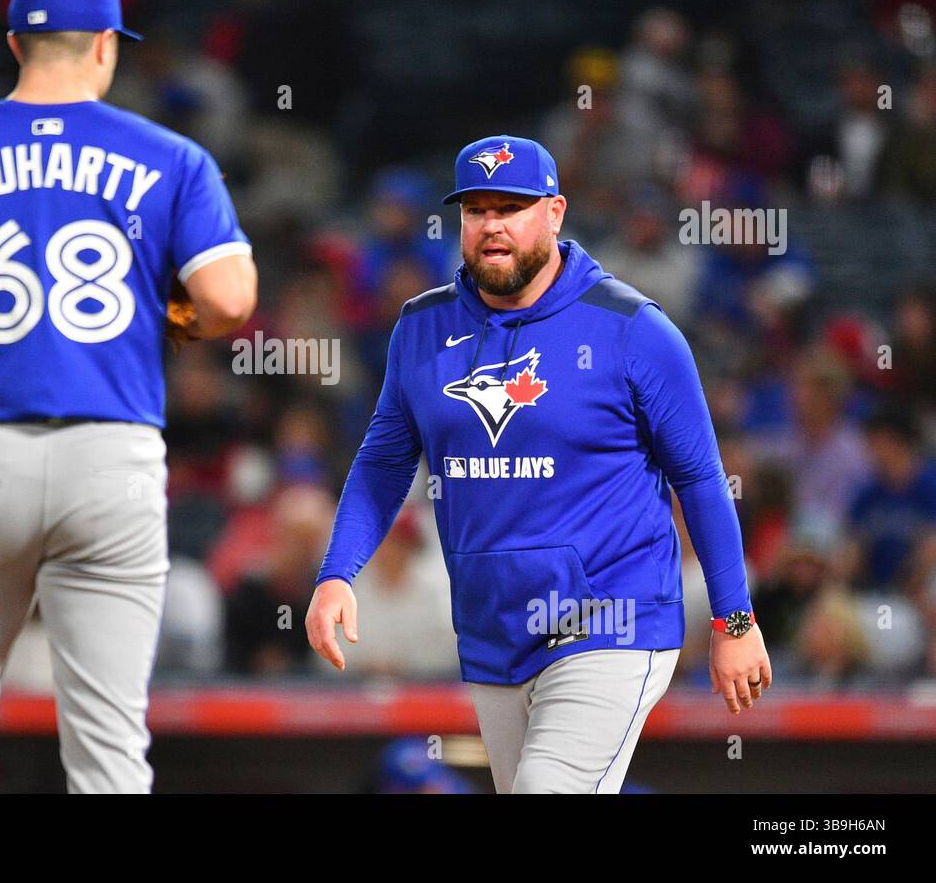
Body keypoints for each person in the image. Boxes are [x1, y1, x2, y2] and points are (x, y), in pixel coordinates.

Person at [0, 0, 257, 793]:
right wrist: (171, 317)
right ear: (106, 46)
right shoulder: (171, 158)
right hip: (112, 459)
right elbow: (228, 298)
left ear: (14, 44)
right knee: (108, 741)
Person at [305, 135, 769, 793]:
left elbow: (699, 479)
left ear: (554, 212)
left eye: (512, 207)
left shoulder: (632, 327)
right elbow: (382, 464)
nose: (492, 225)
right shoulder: (421, 327)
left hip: (611, 619)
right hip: (493, 629)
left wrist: (735, 622)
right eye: (476, 209)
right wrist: (336, 574)